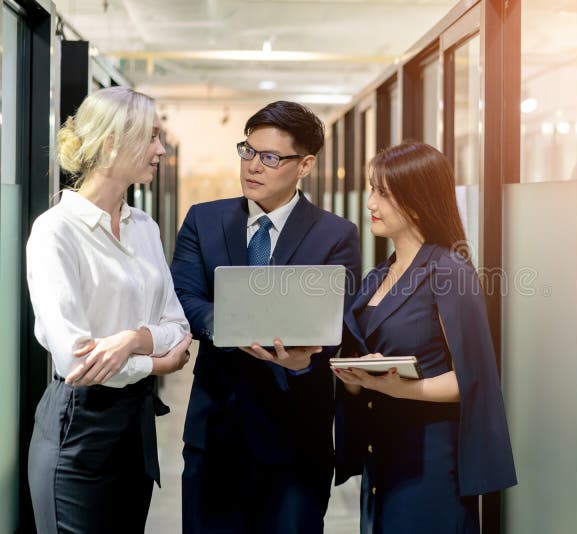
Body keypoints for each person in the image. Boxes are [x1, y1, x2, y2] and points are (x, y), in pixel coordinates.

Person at [172, 100, 361, 533]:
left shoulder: (335, 234)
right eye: (248, 151)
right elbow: (183, 294)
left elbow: (340, 317)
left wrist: (304, 359)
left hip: (295, 435)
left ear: (305, 164)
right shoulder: (205, 219)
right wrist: (230, 324)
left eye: (271, 157)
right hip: (216, 431)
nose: (253, 166)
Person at [26, 86, 193, 533]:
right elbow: (76, 361)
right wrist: (157, 360)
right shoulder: (56, 231)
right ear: (112, 142)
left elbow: (178, 325)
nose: (161, 149)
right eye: (152, 136)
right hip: (77, 429)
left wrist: (131, 341)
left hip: (133, 427)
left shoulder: (145, 228)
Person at [332, 141, 517, 533]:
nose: (370, 202)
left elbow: (471, 378)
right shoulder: (377, 276)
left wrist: (397, 389)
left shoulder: (449, 270)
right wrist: (354, 381)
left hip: (430, 461)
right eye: (370, 188)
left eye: (382, 192)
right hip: (381, 454)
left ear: (416, 199)